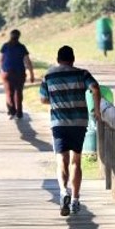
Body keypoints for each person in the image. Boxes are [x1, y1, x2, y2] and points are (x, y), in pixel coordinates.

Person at [39, 45, 101, 217]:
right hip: (79, 123)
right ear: (73, 59)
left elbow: (43, 99)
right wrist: (96, 110)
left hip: (59, 123)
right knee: (76, 162)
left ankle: (63, 191)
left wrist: (57, 99)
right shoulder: (82, 73)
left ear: (58, 60)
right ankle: (75, 199)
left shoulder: (49, 75)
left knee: (61, 160)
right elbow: (95, 88)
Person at [0, 30, 35, 120]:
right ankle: (19, 113)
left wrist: (1, 70)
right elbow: (28, 61)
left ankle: (12, 111)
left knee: (9, 93)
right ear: (19, 36)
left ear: (10, 36)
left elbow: (1, 59)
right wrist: (31, 74)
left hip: (7, 72)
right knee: (18, 92)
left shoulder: (5, 46)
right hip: (20, 72)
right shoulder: (22, 47)